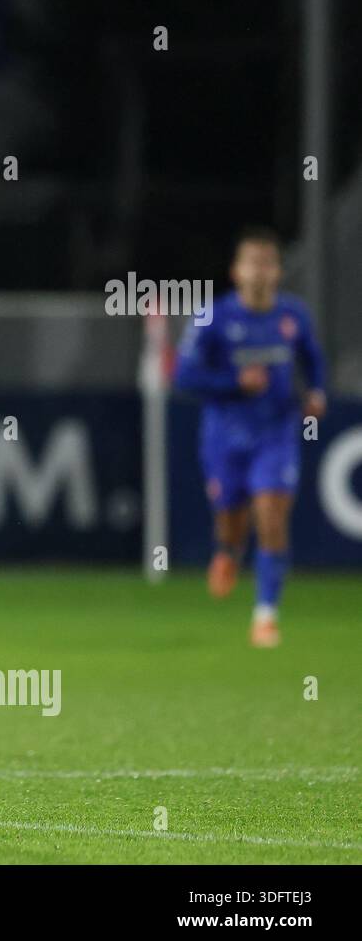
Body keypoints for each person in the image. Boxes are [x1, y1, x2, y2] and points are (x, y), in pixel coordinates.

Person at [174, 226, 327, 647]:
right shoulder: (212, 316)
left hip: (275, 432)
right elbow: (183, 375)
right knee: (231, 517)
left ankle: (265, 615)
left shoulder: (293, 316)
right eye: (251, 263)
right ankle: (225, 552)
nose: (259, 272)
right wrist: (234, 382)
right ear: (235, 271)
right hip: (224, 436)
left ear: (278, 272)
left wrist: (316, 391)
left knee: (272, 513)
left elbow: (312, 359)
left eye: (267, 263)